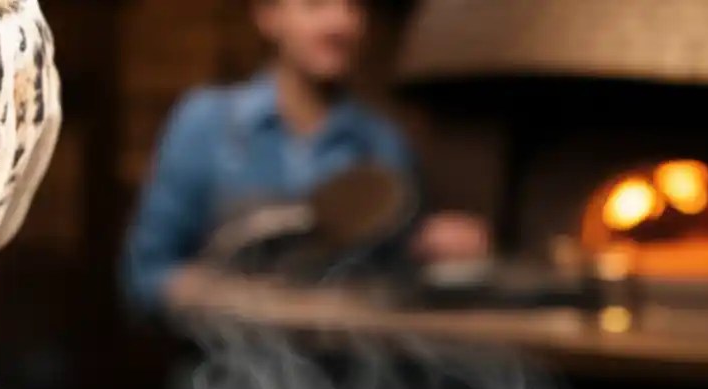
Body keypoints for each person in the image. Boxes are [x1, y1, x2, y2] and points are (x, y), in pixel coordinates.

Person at [121, 0, 490, 317]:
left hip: (349, 382)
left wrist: (431, 246)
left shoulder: (384, 143)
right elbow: (146, 278)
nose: (340, 22)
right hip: (223, 379)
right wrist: (241, 299)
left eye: (353, 6)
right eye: (316, 4)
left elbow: (397, 275)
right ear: (268, 15)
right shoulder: (207, 124)